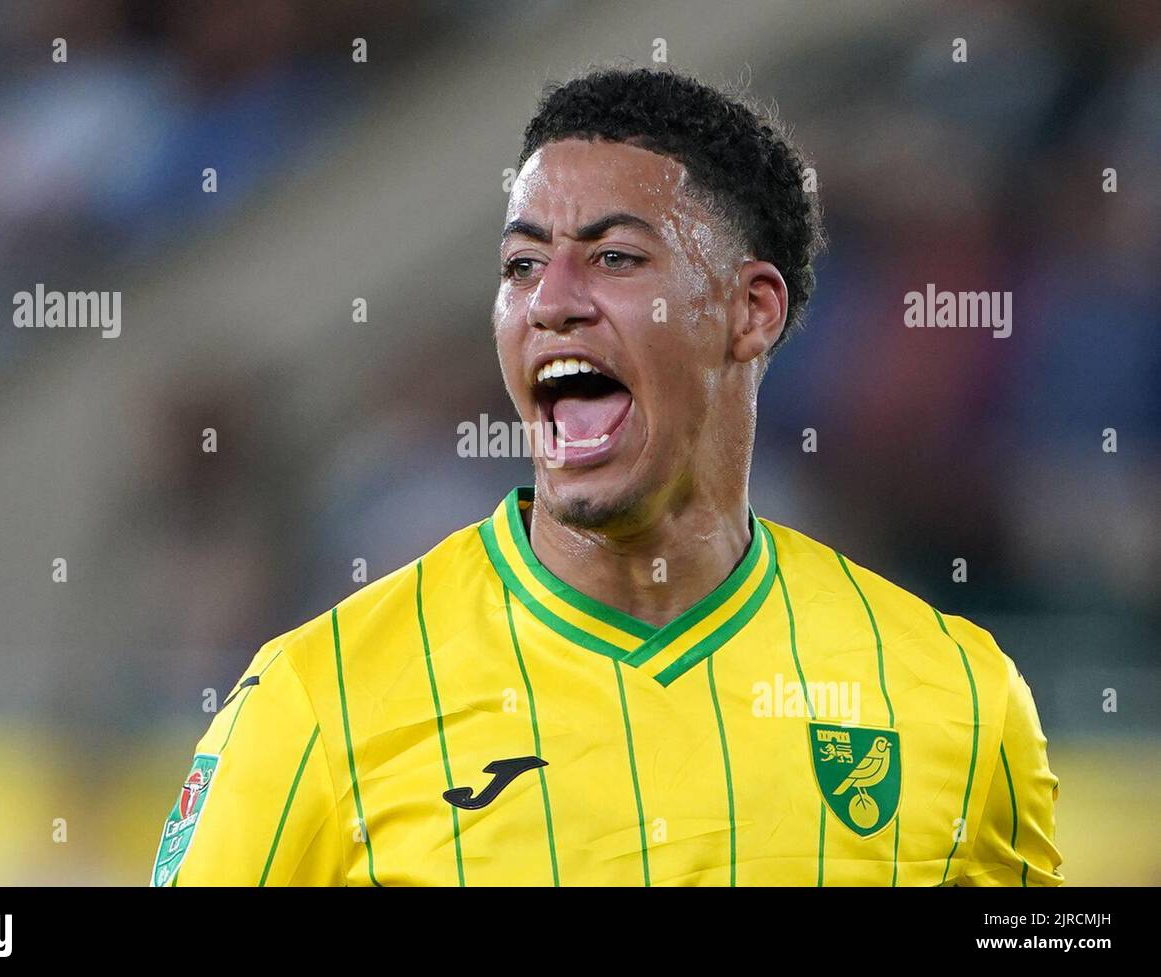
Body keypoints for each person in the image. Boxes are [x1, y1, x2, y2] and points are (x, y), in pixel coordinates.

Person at [152, 66, 1061, 886]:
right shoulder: (321, 696)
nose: (550, 301)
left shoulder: (956, 695)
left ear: (750, 310)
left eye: (615, 256)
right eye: (521, 264)